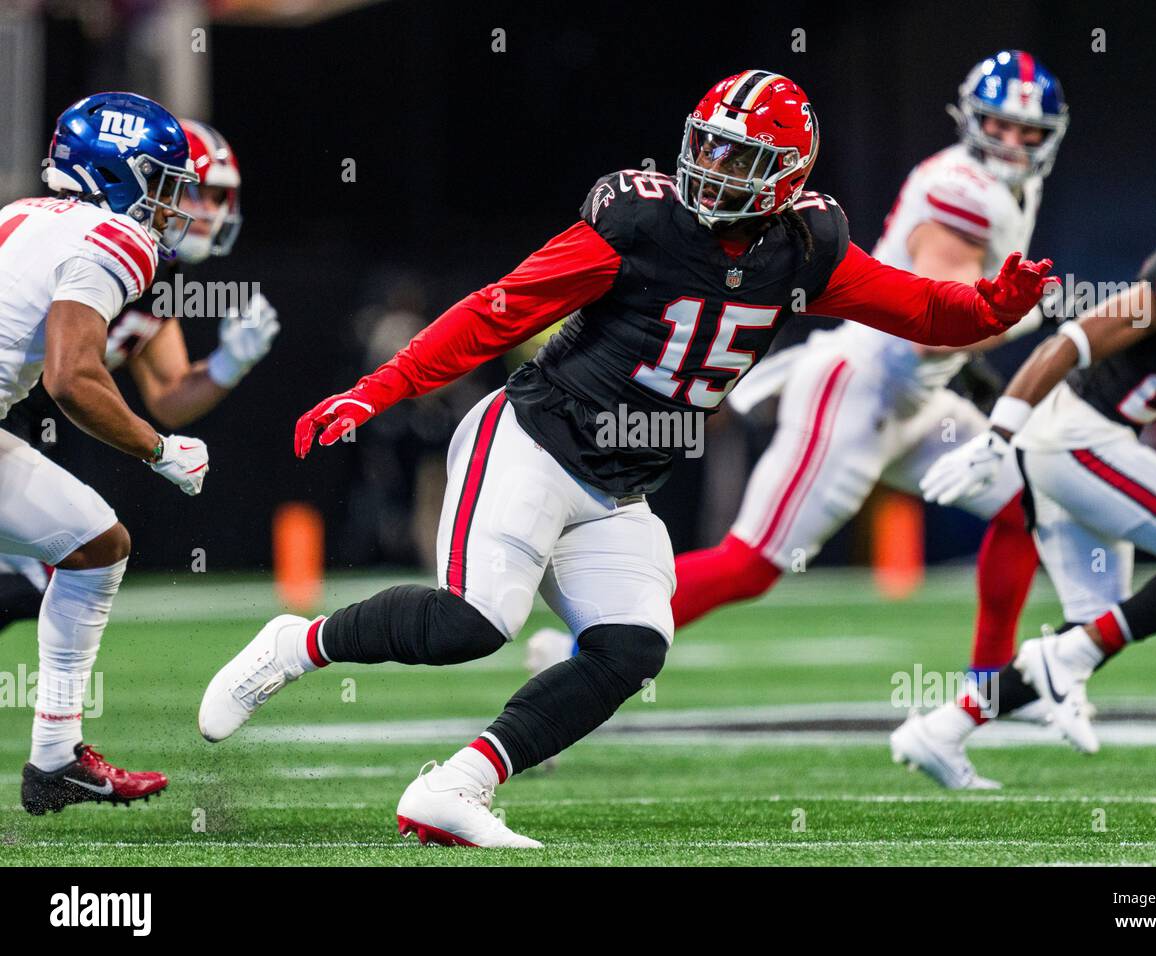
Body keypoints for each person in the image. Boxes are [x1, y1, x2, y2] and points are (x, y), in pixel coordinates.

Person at [199, 71, 1054, 846]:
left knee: (631, 649)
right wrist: (381, 387)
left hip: (620, 487)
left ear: (787, 180)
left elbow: (920, 310)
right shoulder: (639, 220)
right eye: (710, 145)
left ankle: (458, 786)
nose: (714, 168)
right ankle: (295, 645)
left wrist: (990, 307)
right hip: (534, 439)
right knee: (475, 622)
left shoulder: (805, 247)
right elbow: (497, 310)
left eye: (741, 157)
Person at [527, 50, 1066, 683]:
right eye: (997, 124)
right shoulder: (963, 191)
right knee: (750, 565)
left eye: (1025, 130)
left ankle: (988, 686)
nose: (1009, 141)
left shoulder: (1008, 188)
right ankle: (570, 654)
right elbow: (939, 332)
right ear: (969, 119)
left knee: (1027, 499)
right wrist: (1031, 316)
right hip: (861, 390)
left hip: (913, 403)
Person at [893, 137, 1156, 789]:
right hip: (1075, 437)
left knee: (1091, 635)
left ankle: (940, 730)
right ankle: (1057, 662)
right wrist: (999, 433)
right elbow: (1072, 341)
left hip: (1094, 442)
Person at [0, 92, 211, 814]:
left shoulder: (21, 215)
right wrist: (159, 449)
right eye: (157, 180)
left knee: (95, 542)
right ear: (113, 171)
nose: (168, 201)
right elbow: (72, 377)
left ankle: (56, 757)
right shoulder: (115, 238)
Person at [0, 118, 277, 633]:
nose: (208, 211)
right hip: (16, 421)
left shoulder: (157, 276)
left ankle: (57, 716)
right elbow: (71, 375)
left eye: (219, 199)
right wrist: (160, 451)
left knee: (69, 562)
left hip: (24, 433)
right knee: (60, 566)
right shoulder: (92, 244)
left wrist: (226, 365)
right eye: (195, 191)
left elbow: (169, 396)